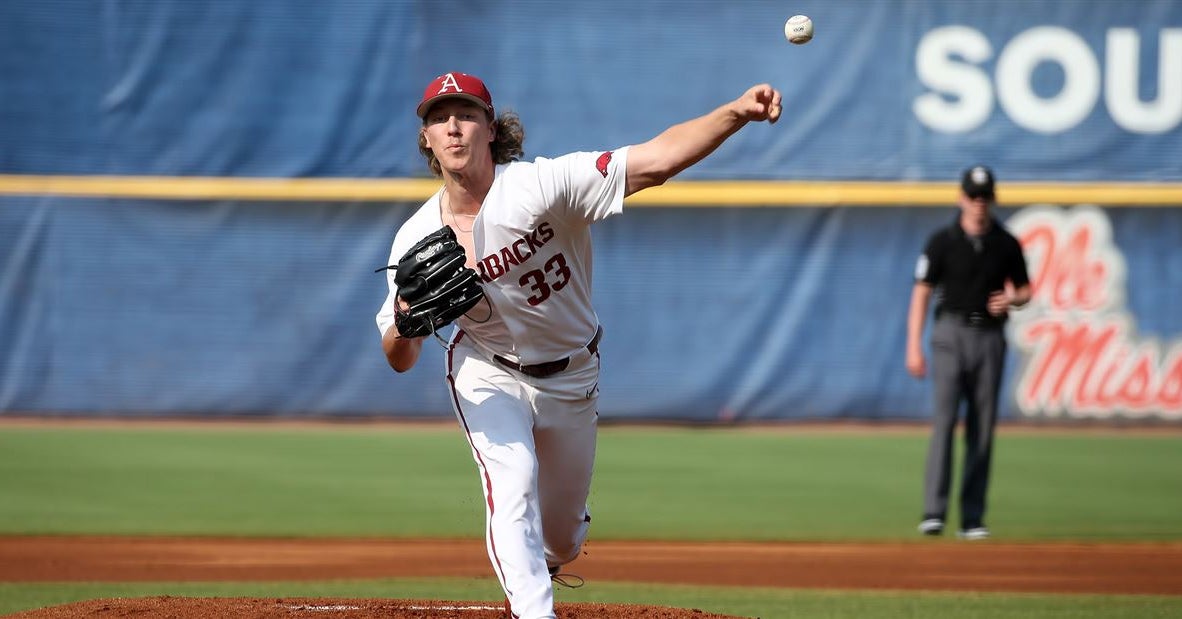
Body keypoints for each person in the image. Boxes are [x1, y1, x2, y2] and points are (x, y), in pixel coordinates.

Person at [376, 71, 782, 619]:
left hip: (571, 377)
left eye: (467, 114)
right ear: (425, 137)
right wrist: (405, 322)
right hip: (485, 369)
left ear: (491, 129)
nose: (453, 127)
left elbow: (655, 162)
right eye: (439, 118)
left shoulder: (542, 185)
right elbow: (398, 357)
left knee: (560, 540)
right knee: (512, 483)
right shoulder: (414, 237)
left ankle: (549, 556)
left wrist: (734, 112)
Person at [905, 165, 1032, 541]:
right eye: (973, 196)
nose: (979, 203)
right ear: (962, 198)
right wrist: (913, 344)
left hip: (990, 337)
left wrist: (1012, 298)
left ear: (992, 199)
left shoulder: (1006, 243)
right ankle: (934, 511)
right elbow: (922, 291)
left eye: (985, 196)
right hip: (950, 333)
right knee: (944, 423)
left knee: (983, 427)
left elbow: (1025, 290)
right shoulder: (942, 241)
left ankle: (972, 517)